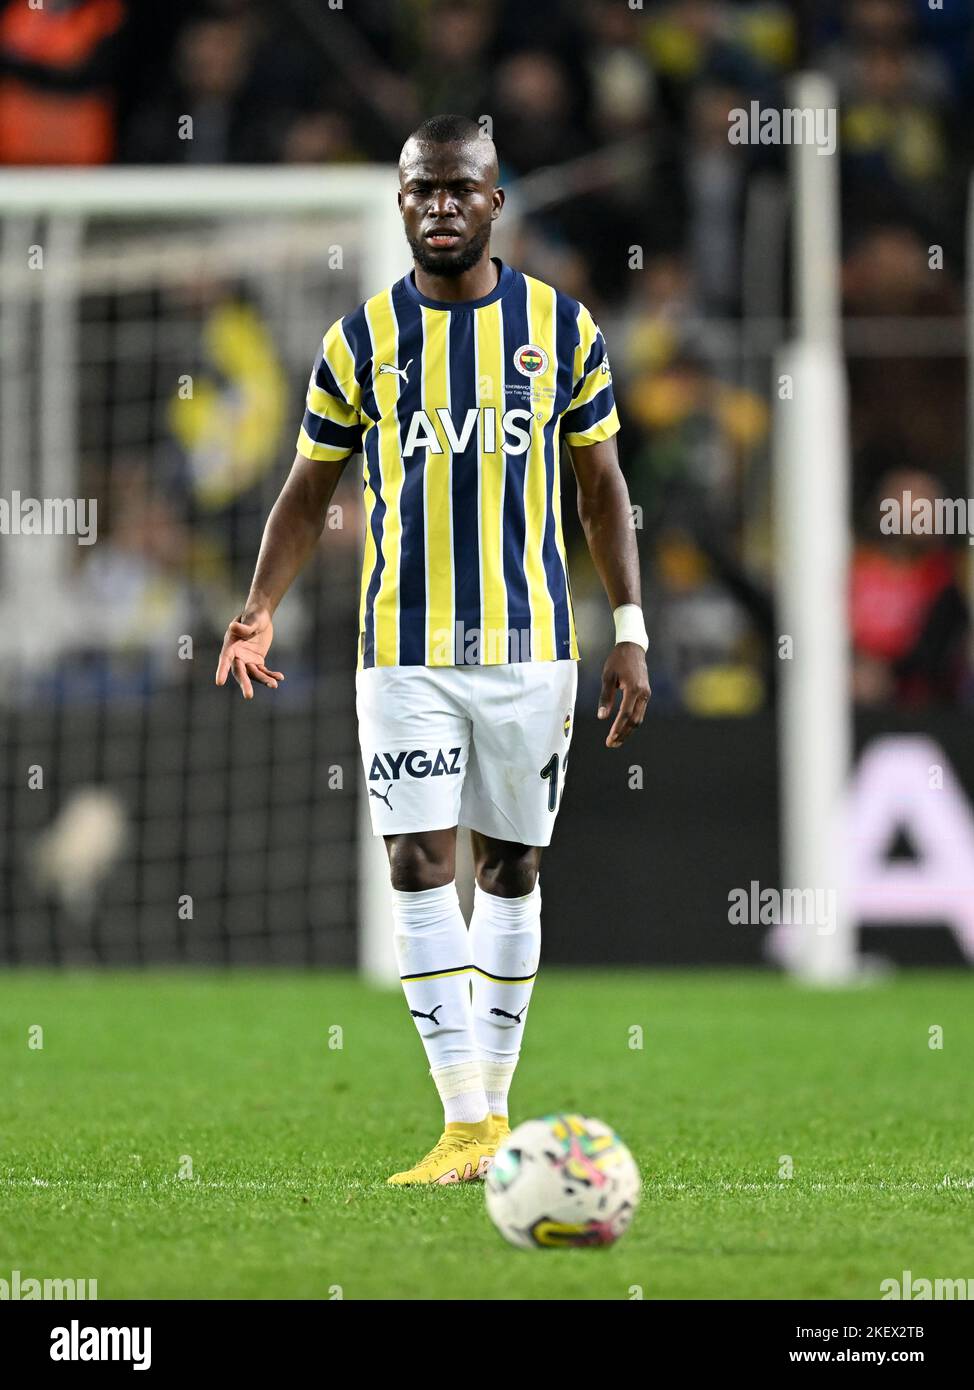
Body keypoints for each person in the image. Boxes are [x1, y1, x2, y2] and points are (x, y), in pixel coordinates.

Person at [216, 114, 650, 1185]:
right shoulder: (359, 340)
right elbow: (307, 488)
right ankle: (461, 1120)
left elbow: (601, 490)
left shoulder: (561, 329)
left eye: (461, 188)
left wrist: (628, 628)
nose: (441, 205)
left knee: (511, 866)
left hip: (531, 646)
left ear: (496, 202)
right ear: (400, 204)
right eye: (422, 190)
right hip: (401, 653)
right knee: (418, 861)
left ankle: (492, 1110)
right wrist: (260, 600)